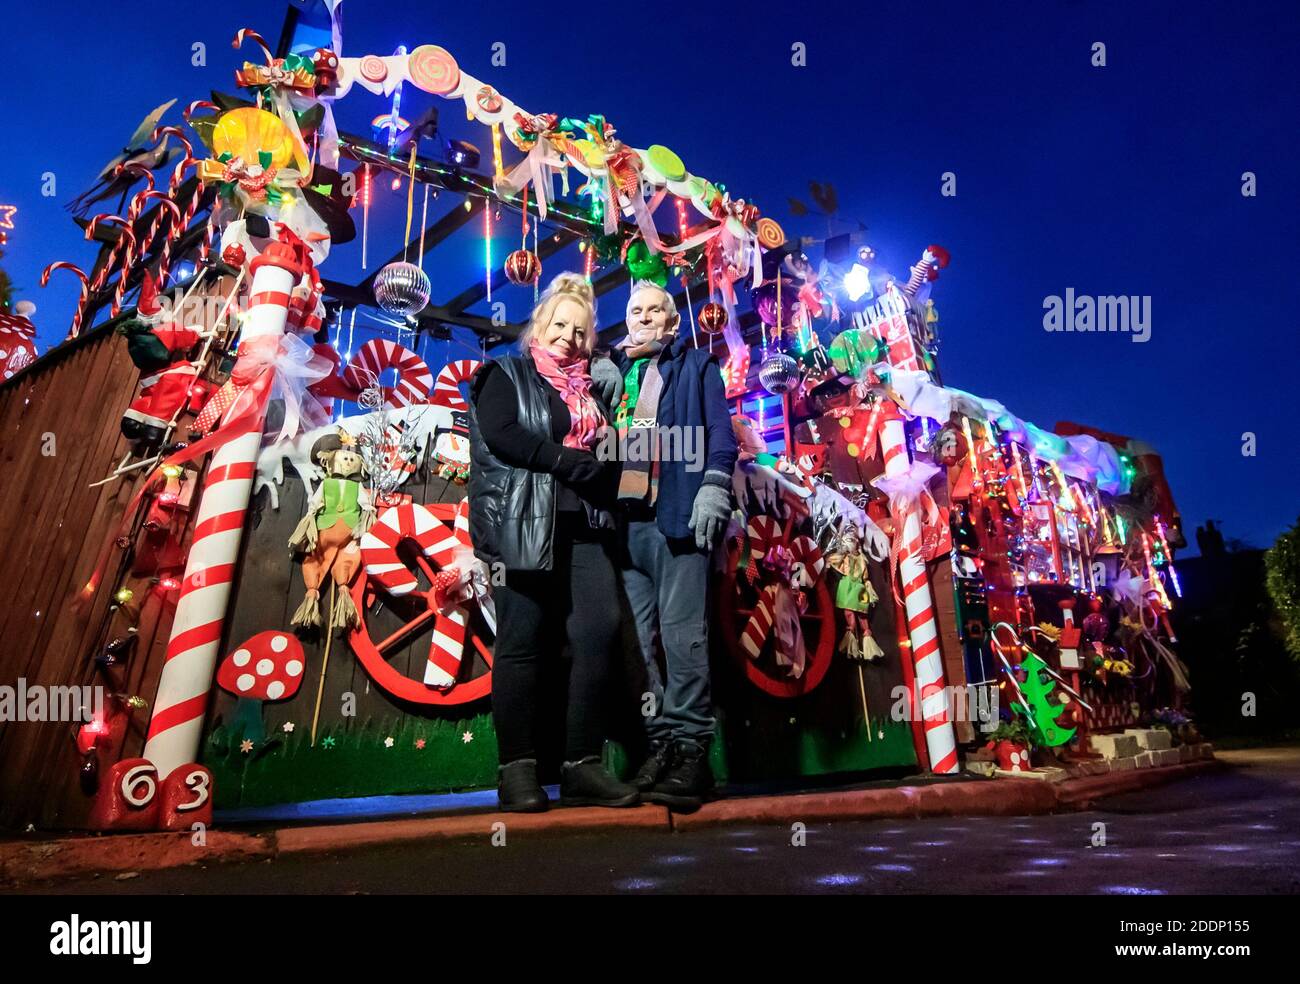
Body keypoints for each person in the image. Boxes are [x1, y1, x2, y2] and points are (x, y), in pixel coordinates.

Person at [468, 273, 640, 812]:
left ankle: (581, 764)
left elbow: (610, 458)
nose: (568, 335)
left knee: (599, 632)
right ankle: (517, 770)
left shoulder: (592, 392)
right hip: (526, 519)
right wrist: (567, 461)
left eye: (580, 330)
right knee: (523, 641)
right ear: (539, 326)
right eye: (559, 324)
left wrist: (621, 477)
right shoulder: (507, 372)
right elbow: (502, 434)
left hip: (586, 525)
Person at [592, 281, 738, 810]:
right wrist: (596, 372)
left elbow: (720, 435)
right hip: (623, 524)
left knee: (683, 641)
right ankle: (658, 746)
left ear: (672, 322)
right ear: (626, 319)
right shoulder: (610, 370)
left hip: (676, 519)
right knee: (638, 648)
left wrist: (714, 487)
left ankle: (691, 754)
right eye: (636, 310)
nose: (646, 317)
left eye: (657, 310)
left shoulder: (696, 365)